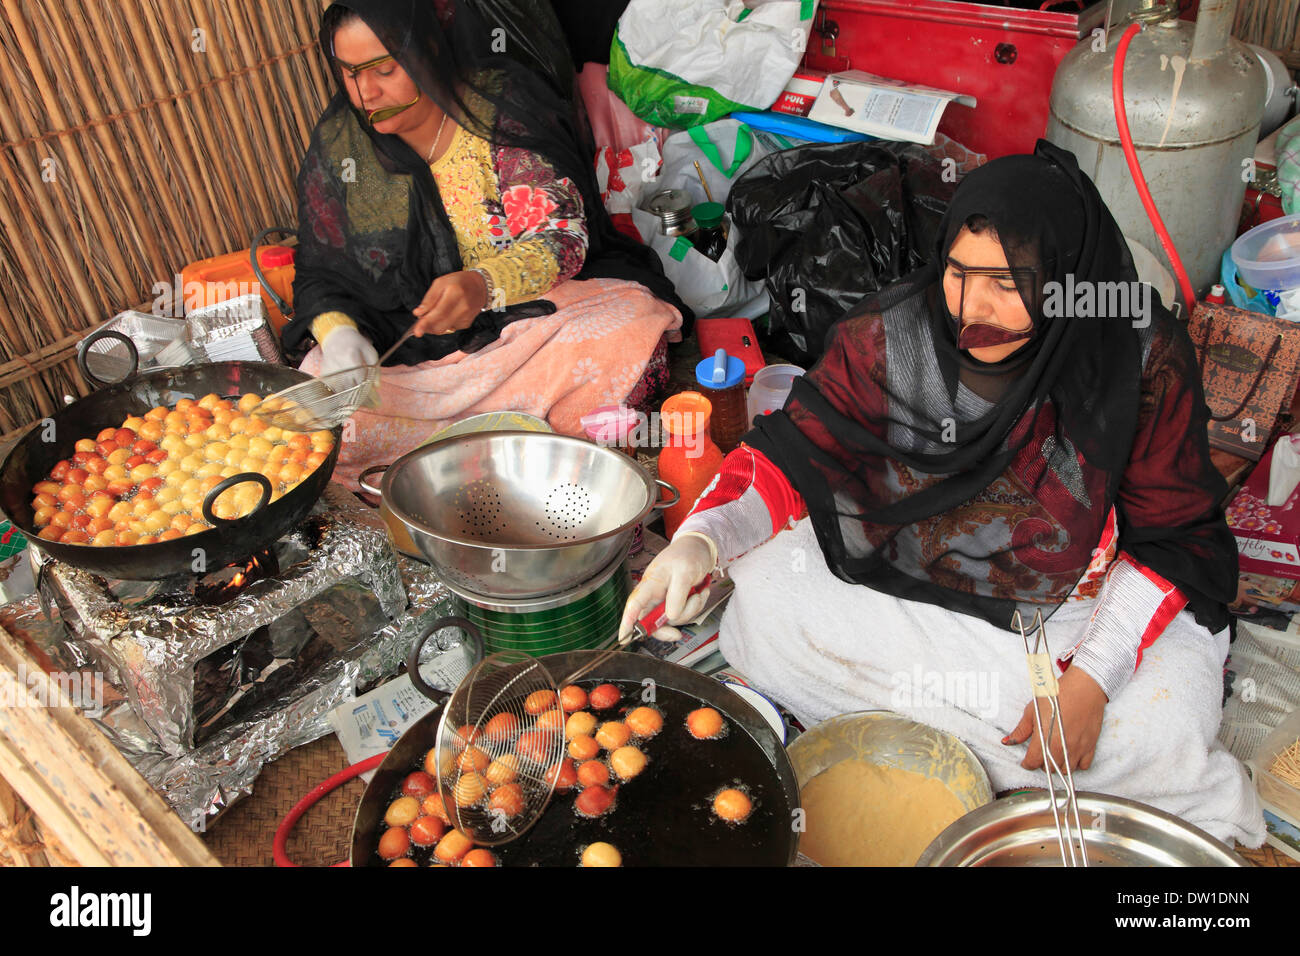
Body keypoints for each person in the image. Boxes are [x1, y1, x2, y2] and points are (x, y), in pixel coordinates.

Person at [621, 141, 1265, 847]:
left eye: (1008, 283)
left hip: (1082, 612)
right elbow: (796, 453)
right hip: (924, 581)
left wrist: (1092, 683)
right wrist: (698, 541)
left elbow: (1172, 538)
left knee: (1155, 732)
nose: (971, 308)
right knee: (768, 593)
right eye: (959, 273)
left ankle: (1011, 747)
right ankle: (1021, 769)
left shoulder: (1135, 356)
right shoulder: (896, 333)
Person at [283, 0, 689, 487]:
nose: (366, 92)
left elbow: (560, 238)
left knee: (630, 330)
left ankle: (436, 468)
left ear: (427, 51)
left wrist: (482, 284)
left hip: (530, 329)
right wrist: (338, 334)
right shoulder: (346, 147)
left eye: (385, 69)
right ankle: (518, 449)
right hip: (417, 362)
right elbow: (320, 272)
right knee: (325, 410)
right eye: (349, 73)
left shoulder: (498, 109)